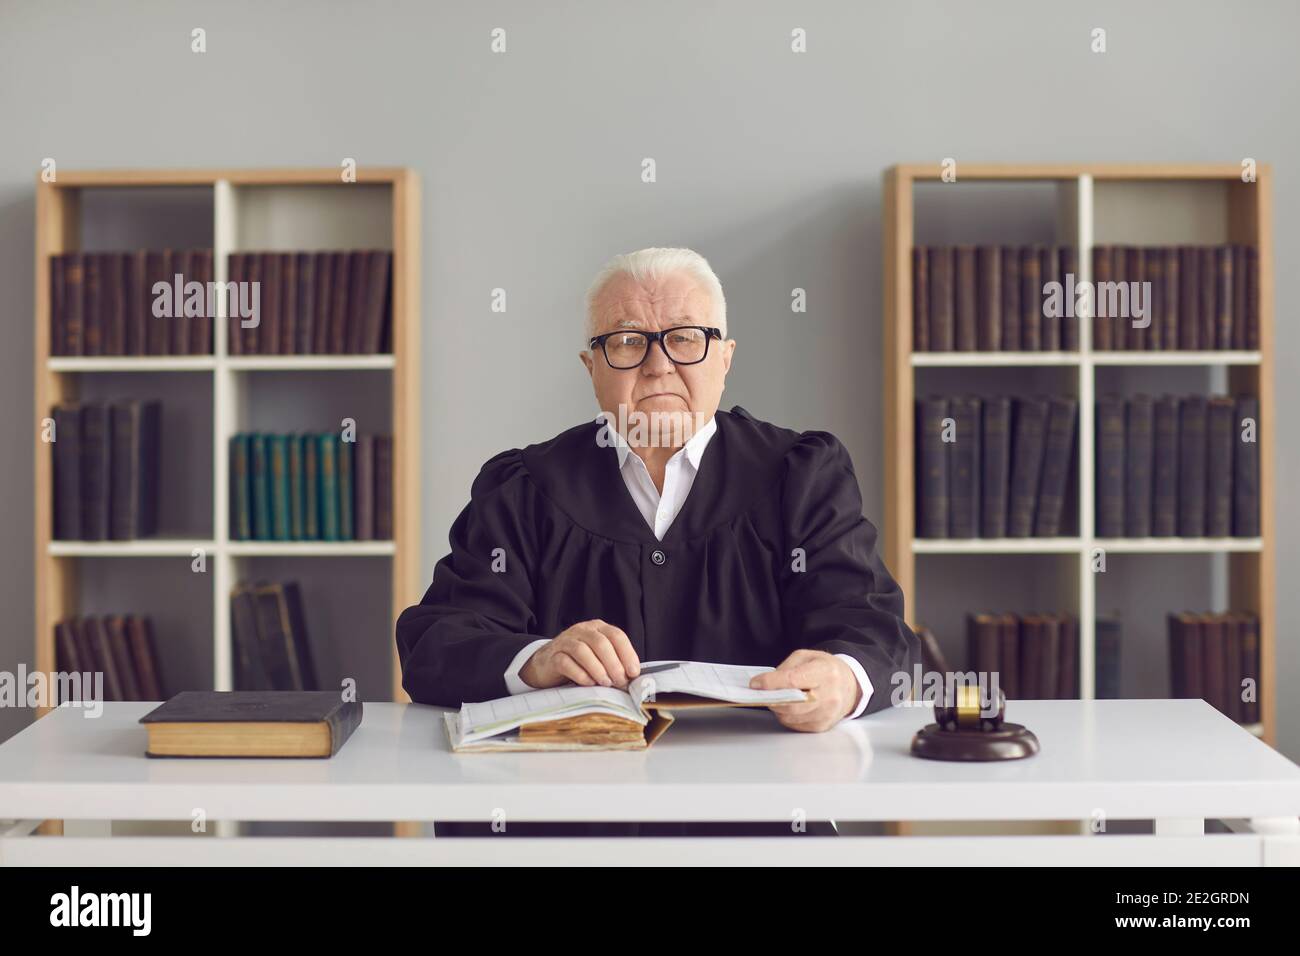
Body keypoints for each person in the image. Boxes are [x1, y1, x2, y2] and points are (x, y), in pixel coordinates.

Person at [397, 247, 917, 737]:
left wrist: (843, 679)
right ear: (591, 367)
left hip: (759, 795)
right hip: (569, 806)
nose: (658, 363)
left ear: (726, 357)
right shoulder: (524, 487)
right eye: (627, 341)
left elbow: (873, 628)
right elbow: (437, 642)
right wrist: (535, 660)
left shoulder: (801, 475)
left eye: (686, 337)